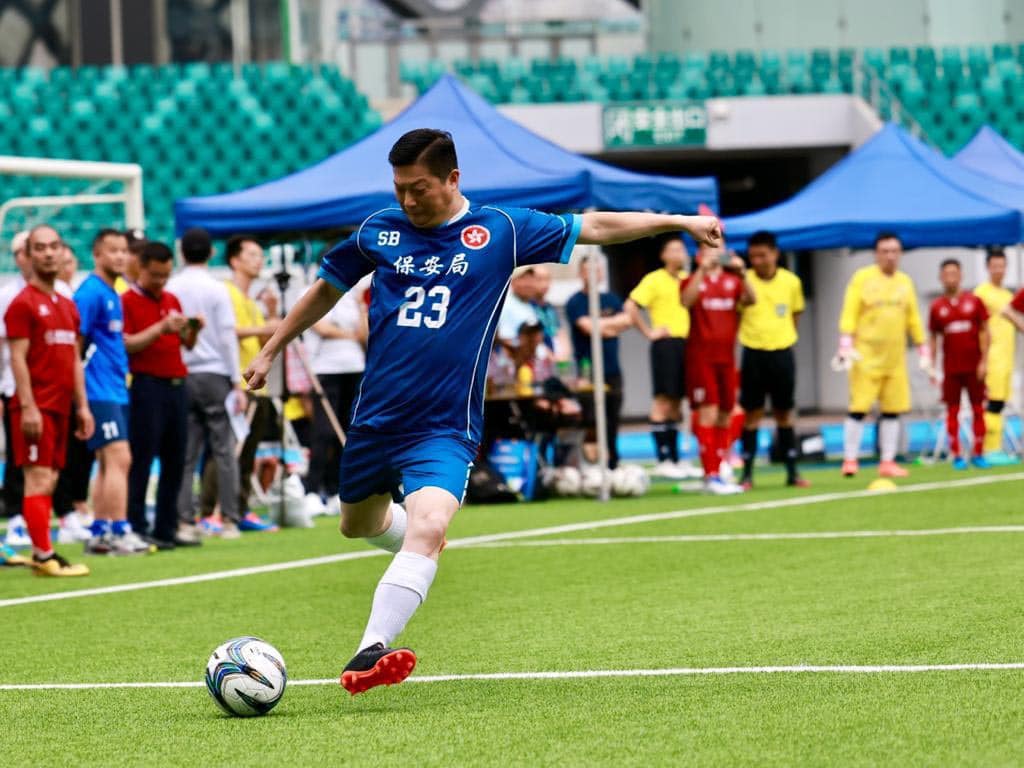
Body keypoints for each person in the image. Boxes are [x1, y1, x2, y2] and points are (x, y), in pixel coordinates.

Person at [242, 128, 721, 695]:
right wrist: (271, 347)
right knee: (358, 525)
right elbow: (327, 288)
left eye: (419, 188)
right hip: (376, 418)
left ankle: (370, 648)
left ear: (453, 179)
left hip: (444, 425)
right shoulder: (379, 231)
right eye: (399, 189)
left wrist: (680, 223)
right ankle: (417, 546)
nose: (408, 200)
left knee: (430, 523)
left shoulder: (502, 230)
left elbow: (594, 225)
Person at [5, 224, 94, 576]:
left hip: (61, 407)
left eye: (53, 246)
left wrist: (82, 406)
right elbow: (17, 358)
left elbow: (74, 359)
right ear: (28, 255)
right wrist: (27, 405)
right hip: (34, 407)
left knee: (52, 480)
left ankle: (45, 550)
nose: (48, 253)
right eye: (39, 247)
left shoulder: (67, 305)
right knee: (38, 479)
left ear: (62, 251)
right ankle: (43, 555)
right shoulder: (22, 304)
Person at [167, 227, 245, 540]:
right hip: (215, 374)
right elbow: (227, 336)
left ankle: (185, 520)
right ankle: (228, 520)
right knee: (224, 450)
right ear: (211, 253)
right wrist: (236, 381)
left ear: (181, 253)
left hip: (183, 373)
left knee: (186, 453)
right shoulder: (216, 289)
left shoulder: (171, 285)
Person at [122, 241, 201, 549]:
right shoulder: (126, 301)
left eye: (165, 275)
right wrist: (161, 327)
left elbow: (187, 345)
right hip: (147, 385)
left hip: (177, 385)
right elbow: (127, 344)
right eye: (155, 275)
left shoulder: (171, 298)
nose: (161, 281)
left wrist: (191, 330)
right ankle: (137, 525)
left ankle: (166, 528)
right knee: (142, 459)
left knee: (175, 459)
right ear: (140, 268)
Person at [75, 229, 150, 555]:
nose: (121, 256)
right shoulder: (91, 293)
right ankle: (119, 530)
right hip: (98, 388)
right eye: (113, 250)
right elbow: (74, 347)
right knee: (120, 458)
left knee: (108, 462)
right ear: (97, 255)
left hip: (115, 387)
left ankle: (101, 530)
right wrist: (80, 398)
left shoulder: (112, 292)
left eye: (124, 251)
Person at [198, 234, 279, 533]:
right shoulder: (226, 293)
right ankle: (208, 510)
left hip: (258, 386)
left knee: (247, 453)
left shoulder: (251, 301)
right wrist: (265, 326)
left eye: (260, 255)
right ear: (234, 260)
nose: (259, 261)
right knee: (224, 451)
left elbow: (263, 339)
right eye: (253, 255)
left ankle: (241, 508)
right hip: (235, 384)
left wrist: (271, 314)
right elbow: (227, 333)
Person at [835, 232, 927, 478]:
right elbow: (850, 311)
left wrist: (922, 347)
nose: (890, 256)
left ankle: (887, 461)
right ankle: (850, 459)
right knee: (859, 407)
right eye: (885, 251)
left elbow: (914, 318)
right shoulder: (862, 279)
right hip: (865, 355)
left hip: (894, 357)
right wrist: (845, 343)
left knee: (892, 409)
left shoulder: (905, 282)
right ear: (876, 254)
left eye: (894, 251)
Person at [680, 242, 755, 494]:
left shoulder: (732, 281)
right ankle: (710, 475)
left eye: (720, 249)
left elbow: (751, 299)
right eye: (711, 249)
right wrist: (702, 269)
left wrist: (742, 272)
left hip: (727, 357)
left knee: (726, 412)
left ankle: (719, 469)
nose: (716, 253)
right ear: (700, 253)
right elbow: (686, 300)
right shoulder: (693, 279)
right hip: (701, 357)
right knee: (708, 412)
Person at [736, 230, 808, 489]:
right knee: (751, 414)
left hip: (782, 353)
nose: (757, 261)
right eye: (753, 256)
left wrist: (784, 337)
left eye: (762, 255)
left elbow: (796, 314)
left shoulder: (791, 282)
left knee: (784, 413)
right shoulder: (743, 280)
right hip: (753, 353)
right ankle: (747, 474)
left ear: (775, 254)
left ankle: (792, 472)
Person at [625, 235, 699, 479]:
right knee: (663, 400)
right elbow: (631, 305)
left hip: (687, 343)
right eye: (674, 249)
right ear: (663, 255)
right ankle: (663, 458)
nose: (679, 254)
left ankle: (676, 459)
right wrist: (648, 332)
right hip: (666, 344)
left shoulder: (688, 279)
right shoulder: (654, 279)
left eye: (682, 249)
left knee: (678, 402)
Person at [304, 273, 369, 509]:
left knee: (348, 430)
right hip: (325, 368)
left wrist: (362, 307)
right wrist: (349, 335)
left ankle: (335, 487)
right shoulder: (312, 292)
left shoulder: (352, 297)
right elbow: (322, 328)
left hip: (354, 367)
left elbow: (363, 335)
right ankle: (312, 487)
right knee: (324, 432)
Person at [565, 256, 632, 470]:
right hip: (588, 371)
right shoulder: (575, 302)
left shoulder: (611, 299)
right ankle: (592, 464)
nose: (592, 274)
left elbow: (626, 321)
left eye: (597, 270)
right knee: (591, 419)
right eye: (587, 270)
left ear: (602, 273)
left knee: (612, 418)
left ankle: (613, 462)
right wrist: (608, 326)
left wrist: (601, 326)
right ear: (580, 273)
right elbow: (588, 328)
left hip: (612, 369)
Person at [928, 259, 990, 469]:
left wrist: (984, 360)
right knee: (952, 410)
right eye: (946, 274)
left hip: (974, 366)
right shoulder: (937, 307)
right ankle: (956, 455)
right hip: (951, 368)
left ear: (961, 275)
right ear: (941, 277)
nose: (950, 278)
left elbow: (984, 331)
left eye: (954, 273)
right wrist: (932, 366)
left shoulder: (974, 301)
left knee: (978, 409)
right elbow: (934, 338)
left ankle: (979, 452)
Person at [973, 249, 1016, 456]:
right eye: (995, 266)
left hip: (1007, 357)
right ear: (988, 268)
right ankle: (990, 448)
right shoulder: (981, 294)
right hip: (991, 357)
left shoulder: (1008, 295)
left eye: (1002, 266)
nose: (999, 270)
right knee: (993, 402)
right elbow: (976, 327)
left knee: (1001, 403)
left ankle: (996, 447)